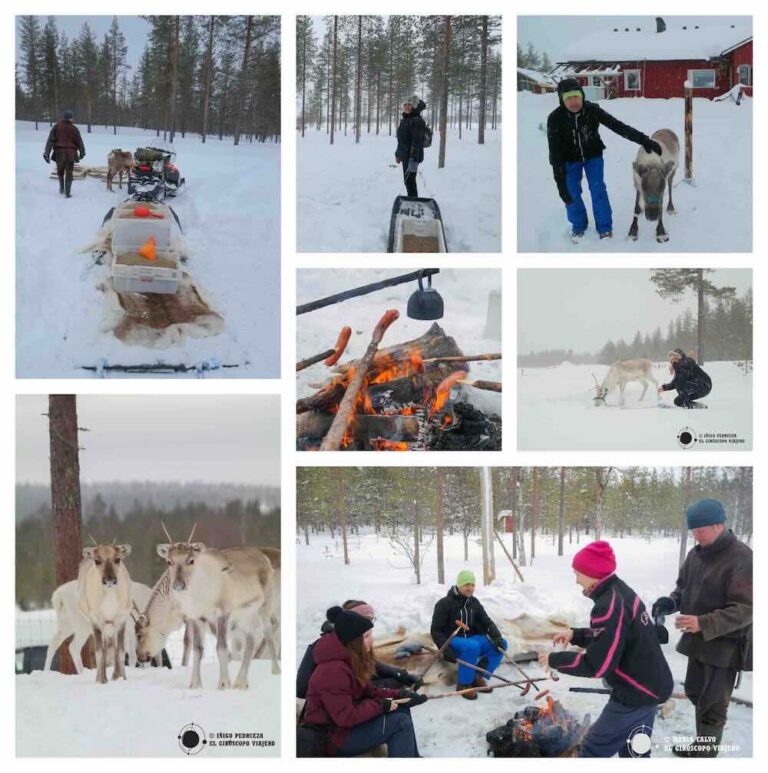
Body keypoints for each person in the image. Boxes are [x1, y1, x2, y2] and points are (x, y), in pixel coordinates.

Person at [539, 541, 673, 757]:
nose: (576, 580)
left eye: (578, 573)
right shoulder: (619, 591)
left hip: (635, 692)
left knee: (591, 751)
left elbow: (597, 665)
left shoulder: (608, 604)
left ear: (592, 573)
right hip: (651, 686)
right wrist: (576, 635)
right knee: (635, 750)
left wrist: (554, 660)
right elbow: (615, 636)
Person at [653, 499, 752, 757]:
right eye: (693, 531)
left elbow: (746, 609)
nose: (697, 536)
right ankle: (701, 747)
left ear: (719, 525)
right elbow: (683, 588)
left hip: (725, 645)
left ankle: (705, 757)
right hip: (698, 640)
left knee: (714, 705)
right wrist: (670, 602)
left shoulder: (742, 557)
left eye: (701, 530)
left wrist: (703, 622)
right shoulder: (695, 555)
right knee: (696, 693)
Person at [302, 606, 427, 757]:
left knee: (402, 709)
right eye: (367, 636)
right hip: (333, 737)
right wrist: (381, 706)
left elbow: (368, 691)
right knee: (400, 723)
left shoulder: (349, 659)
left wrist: (400, 695)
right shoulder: (333, 671)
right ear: (354, 640)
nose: (372, 639)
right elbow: (345, 717)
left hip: (343, 728)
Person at [547, 78, 662, 242]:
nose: (574, 102)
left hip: (593, 155)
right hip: (568, 160)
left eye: (576, 97)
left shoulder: (592, 110)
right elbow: (555, 153)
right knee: (570, 192)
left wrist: (644, 140)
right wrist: (560, 183)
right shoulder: (555, 119)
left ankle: (604, 227)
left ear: (582, 96)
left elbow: (617, 126)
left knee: (598, 189)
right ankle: (579, 225)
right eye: (568, 98)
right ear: (561, 100)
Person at [297, 600, 422, 696]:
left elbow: (370, 664)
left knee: (393, 682)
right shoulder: (333, 644)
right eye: (367, 620)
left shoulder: (352, 638)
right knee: (392, 685)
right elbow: (302, 688)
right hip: (328, 698)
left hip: (343, 690)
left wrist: (400, 674)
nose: (370, 624)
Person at [430, 569, 508, 700]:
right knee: (472, 646)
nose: (470, 588)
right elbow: (435, 629)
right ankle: (464, 684)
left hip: (471, 638)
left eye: (472, 585)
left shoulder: (474, 602)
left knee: (501, 644)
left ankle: (477, 674)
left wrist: (497, 637)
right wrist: (445, 648)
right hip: (453, 639)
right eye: (466, 584)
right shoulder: (444, 603)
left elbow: (487, 621)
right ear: (459, 585)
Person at [43, 109, 86, 199]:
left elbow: (50, 140)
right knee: (69, 173)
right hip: (70, 154)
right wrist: (82, 152)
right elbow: (79, 142)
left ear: (64, 118)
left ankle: (62, 189)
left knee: (60, 172)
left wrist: (47, 153)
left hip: (58, 153)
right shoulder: (74, 129)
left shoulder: (56, 127)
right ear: (71, 118)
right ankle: (67, 193)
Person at [395, 96, 427, 198]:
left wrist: (413, 158)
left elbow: (417, 141)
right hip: (405, 155)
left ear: (414, 106)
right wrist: (398, 154)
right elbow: (401, 140)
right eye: (405, 104)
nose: (407, 107)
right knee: (407, 180)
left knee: (410, 181)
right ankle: (411, 198)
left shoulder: (417, 120)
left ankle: (413, 200)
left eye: (409, 104)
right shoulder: (405, 120)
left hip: (412, 157)